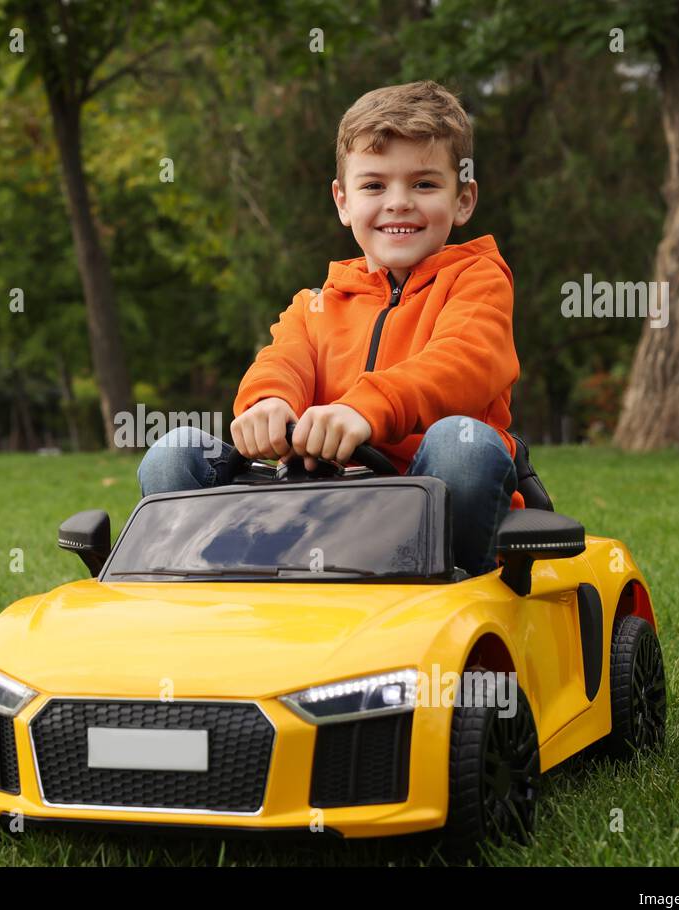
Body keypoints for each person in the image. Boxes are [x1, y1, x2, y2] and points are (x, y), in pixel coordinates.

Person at [138, 80, 524, 576]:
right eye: (374, 185)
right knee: (175, 452)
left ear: (464, 199)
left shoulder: (477, 279)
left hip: (428, 508)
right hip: (314, 518)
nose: (399, 202)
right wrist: (269, 405)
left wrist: (365, 410)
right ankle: (197, 591)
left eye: (425, 184)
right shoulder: (316, 304)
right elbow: (282, 362)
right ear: (342, 201)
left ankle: (454, 586)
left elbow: (465, 362)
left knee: (463, 446)